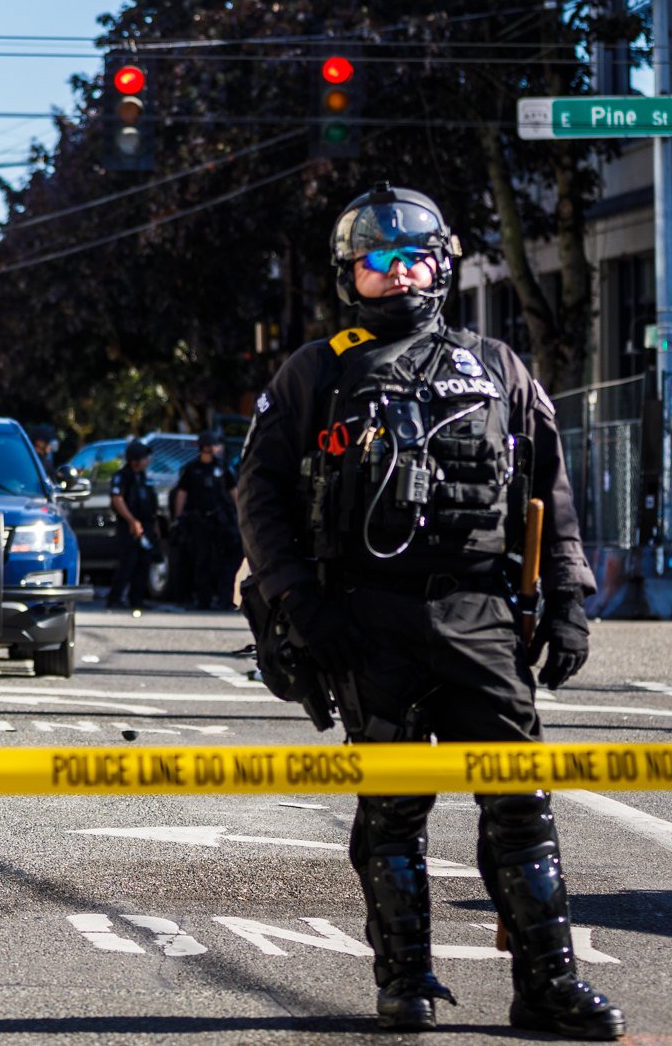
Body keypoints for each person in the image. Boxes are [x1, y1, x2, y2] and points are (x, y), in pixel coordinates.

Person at [235, 183, 621, 1039]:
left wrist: (568, 601)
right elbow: (257, 495)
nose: (396, 273)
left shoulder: (500, 367)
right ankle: (402, 981)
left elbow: (550, 494)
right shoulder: (318, 369)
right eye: (376, 262)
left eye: (412, 257)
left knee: (518, 803)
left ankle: (547, 986)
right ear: (350, 276)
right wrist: (300, 602)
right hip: (367, 621)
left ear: (442, 263)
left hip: (482, 617)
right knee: (392, 811)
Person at [171, 430, 239, 611]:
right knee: (202, 561)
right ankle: (203, 600)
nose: (216, 448)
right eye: (214, 445)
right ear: (206, 447)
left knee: (224, 562)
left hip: (221, 523)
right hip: (199, 522)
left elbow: (234, 492)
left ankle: (224, 599)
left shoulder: (223, 467)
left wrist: (240, 515)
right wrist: (178, 518)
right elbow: (182, 493)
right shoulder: (192, 469)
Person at [103, 439, 157, 608]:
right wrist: (132, 521)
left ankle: (137, 600)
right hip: (128, 526)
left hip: (145, 524)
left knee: (144, 562)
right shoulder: (122, 476)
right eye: (144, 458)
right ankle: (115, 598)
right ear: (134, 460)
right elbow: (117, 499)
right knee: (128, 562)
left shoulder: (143, 476)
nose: (147, 461)